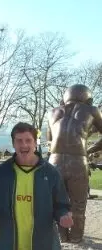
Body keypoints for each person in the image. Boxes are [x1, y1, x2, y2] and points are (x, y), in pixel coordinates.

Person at [0, 122, 72, 250]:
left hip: (44, 245)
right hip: (9, 244)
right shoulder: (1, 172)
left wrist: (63, 216)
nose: (24, 145)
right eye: (19, 141)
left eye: (28, 140)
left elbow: (61, 205)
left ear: (35, 143)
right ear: (13, 143)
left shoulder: (51, 173)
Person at [47, 84, 102, 243]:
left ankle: (61, 236)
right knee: (78, 204)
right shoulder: (92, 110)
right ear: (88, 99)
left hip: (54, 161)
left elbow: (50, 140)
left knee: (57, 202)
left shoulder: (52, 112)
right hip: (78, 161)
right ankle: (76, 237)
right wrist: (89, 148)